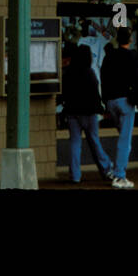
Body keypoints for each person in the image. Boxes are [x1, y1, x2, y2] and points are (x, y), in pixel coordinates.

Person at [100, 26, 138, 189]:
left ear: (117, 39)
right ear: (130, 40)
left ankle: (113, 169)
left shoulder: (109, 57)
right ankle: (119, 175)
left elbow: (103, 79)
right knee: (125, 140)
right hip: (125, 102)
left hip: (111, 102)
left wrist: (105, 103)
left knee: (122, 137)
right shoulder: (132, 56)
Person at [60, 44, 114, 184]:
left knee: (75, 143)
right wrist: (101, 109)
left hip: (72, 112)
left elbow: (64, 93)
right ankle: (106, 169)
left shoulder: (68, 73)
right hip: (89, 113)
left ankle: (75, 175)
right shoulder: (89, 72)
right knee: (94, 142)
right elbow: (95, 94)